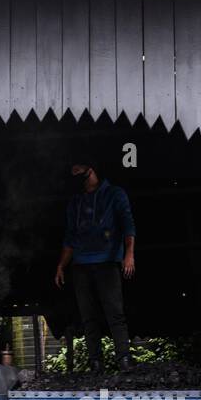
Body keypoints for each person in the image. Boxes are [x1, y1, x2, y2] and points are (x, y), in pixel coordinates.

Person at [54, 159, 136, 373]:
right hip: (81, 264)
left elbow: (128, 225)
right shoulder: (76, 202)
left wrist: (129, 254)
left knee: (115, 312)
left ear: (90, 168)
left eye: (77, 168)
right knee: (88, 315)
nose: (74, 172)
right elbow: (70, 237)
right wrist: (61, 265)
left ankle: (124, 359)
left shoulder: (114, 194)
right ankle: (95, 362)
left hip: (107, 262)